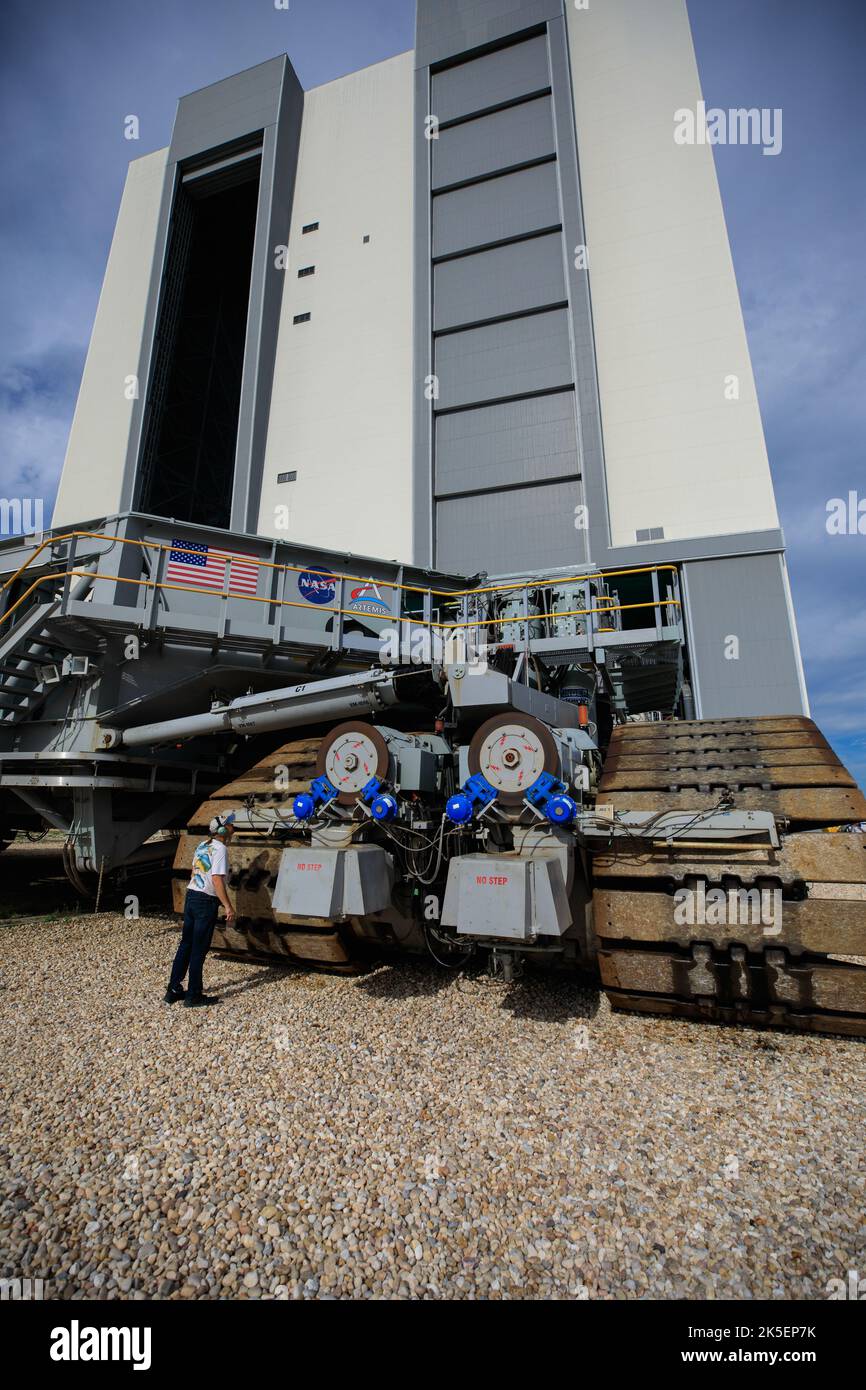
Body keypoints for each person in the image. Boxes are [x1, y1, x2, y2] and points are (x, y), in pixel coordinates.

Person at [165, 811, 237, 1007]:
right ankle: (194, 995)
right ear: (223, 830)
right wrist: (228, 906)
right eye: (230, 825)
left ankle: (173, 989)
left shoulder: (201, 846)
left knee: (186, 944)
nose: (232, 827)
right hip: (205, 901)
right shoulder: (220, 849)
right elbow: (216, 879)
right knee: (199, 948)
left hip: (192, 896)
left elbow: (193, 872)